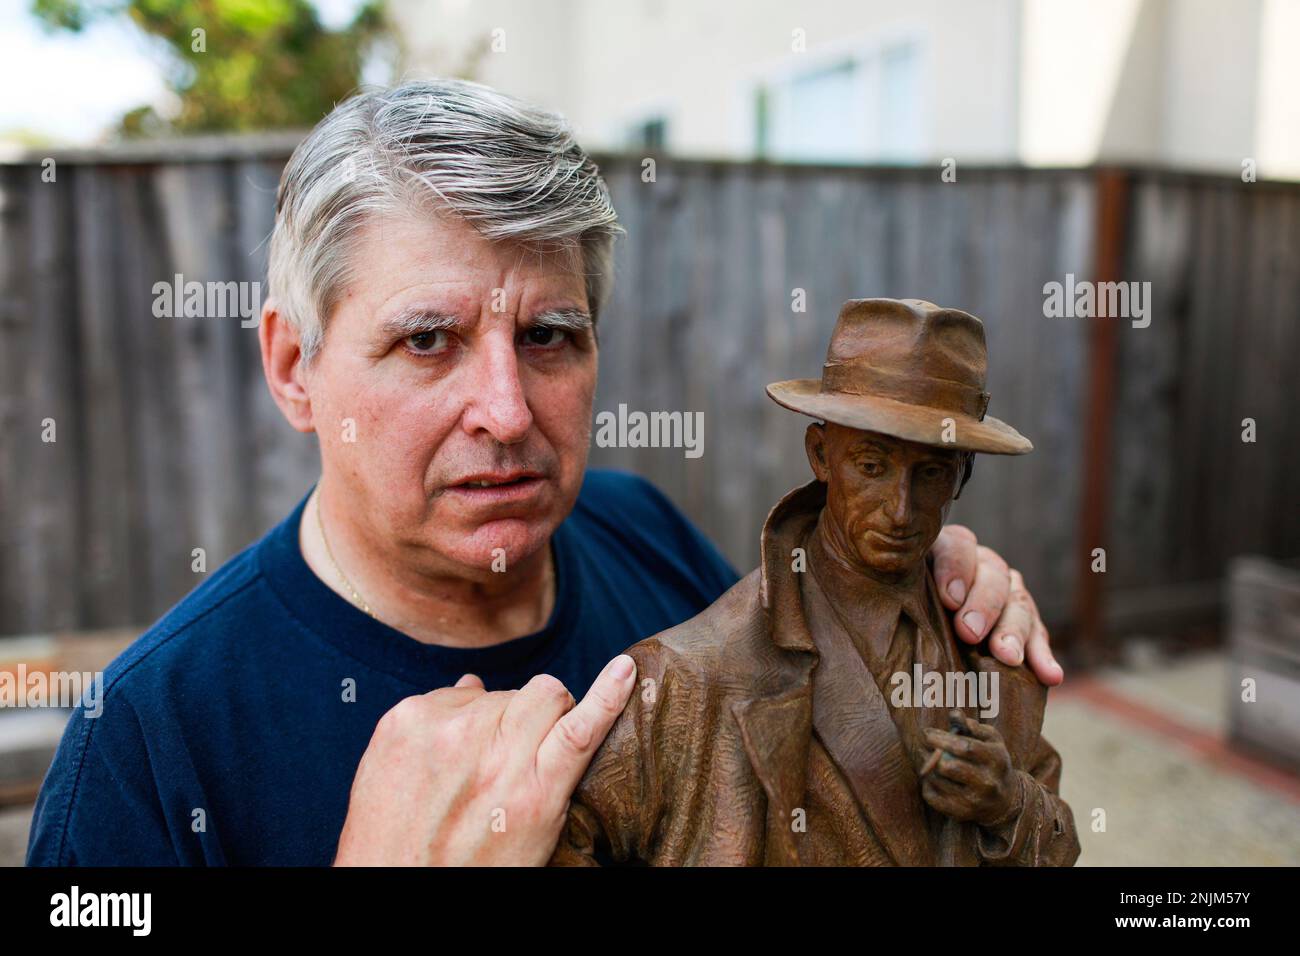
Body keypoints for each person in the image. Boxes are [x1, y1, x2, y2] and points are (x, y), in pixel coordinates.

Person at [27, 82, 1061, 867]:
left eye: (549, 334)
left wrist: (909, 575)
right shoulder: (146, 748)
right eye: (428, 338)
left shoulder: (643, 531)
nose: (509, 409)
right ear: (296, 369)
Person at [552, 299, 1080, 866]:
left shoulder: (993, 655)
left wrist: (1007, 808)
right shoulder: (689, 673)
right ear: (820, 455)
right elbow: (567, 840)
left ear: (962, 477)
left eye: (930, 473)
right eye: (872, 467)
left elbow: (1059, 838)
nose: (901, 511)